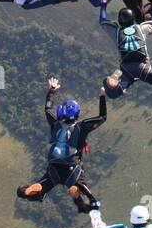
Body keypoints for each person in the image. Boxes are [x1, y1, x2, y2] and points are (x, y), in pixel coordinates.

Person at [17, 78, 107, 213]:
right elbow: (102, 117)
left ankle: (30, 190)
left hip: (54, 165)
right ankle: (90, 202)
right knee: (78, 185)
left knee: (44, 185)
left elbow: (47, 108)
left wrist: (51, 91)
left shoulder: (55, 123)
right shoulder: (82, 127)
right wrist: (102, 96)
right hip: (71, 166)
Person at [98, 3, 152, 99]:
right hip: (142, 67)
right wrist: (147, 20)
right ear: (133, 19)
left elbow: (102, 21)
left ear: (119, 21)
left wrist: (103, 5)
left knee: (113, 94)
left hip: (126, 69)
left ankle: (112, 84)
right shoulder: (141, 28)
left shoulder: (116, 32)